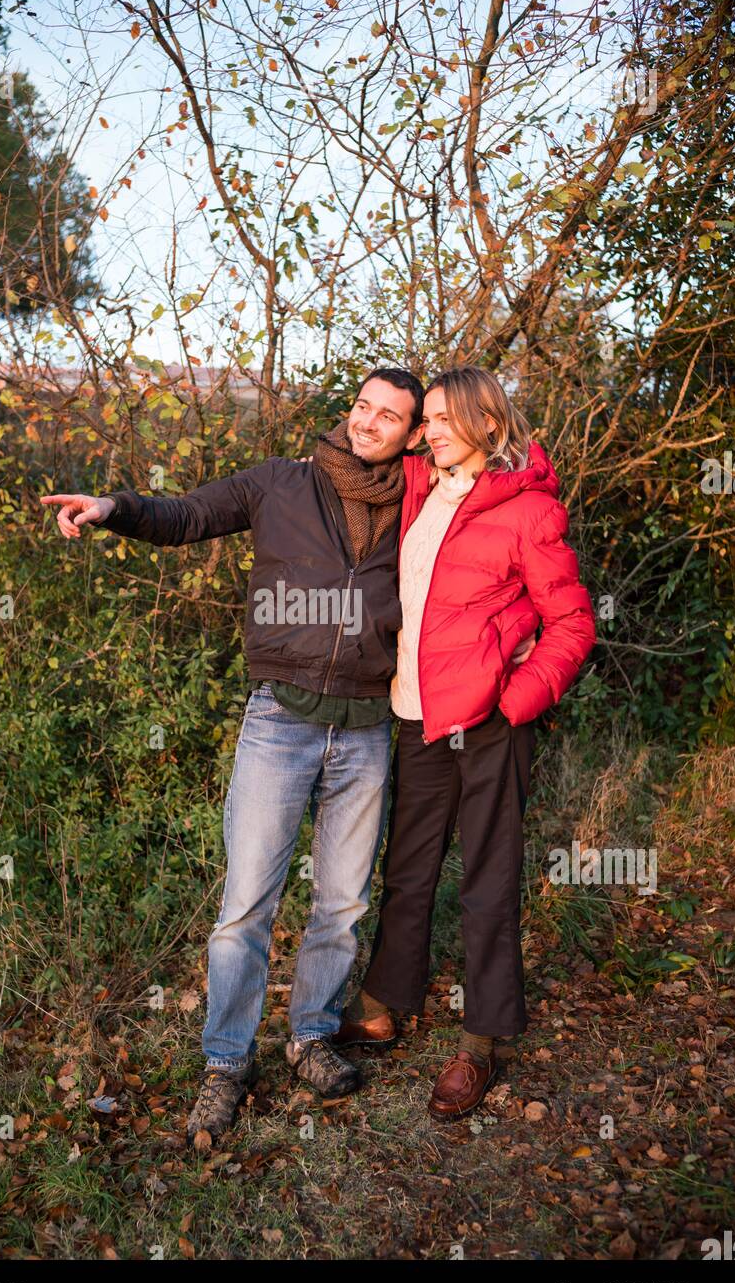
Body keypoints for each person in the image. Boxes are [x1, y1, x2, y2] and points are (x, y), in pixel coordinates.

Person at [41, 369, 429, 1141]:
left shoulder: (420, 505)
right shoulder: (281, 483)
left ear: (414, 433)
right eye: (361, 406)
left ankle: (310, 1036)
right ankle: (226, 1060)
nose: (367, 423)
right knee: (245, 904)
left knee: (342, 903)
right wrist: (112, 507)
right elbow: (185, 514)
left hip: (364, 729)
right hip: (278, 722)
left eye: (388, 417)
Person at [334, 365, 596, 1121]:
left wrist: (514, 701)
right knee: (408, 866)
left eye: (446, 418)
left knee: (485, 878)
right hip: (417, 714)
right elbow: (349, 445)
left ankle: (480, 1038)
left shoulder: (526, 511)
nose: (432, 429)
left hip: (488, 724)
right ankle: (385, 1000)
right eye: (430, 419)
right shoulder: (420, 486)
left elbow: (573, 624)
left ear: (486, 423)